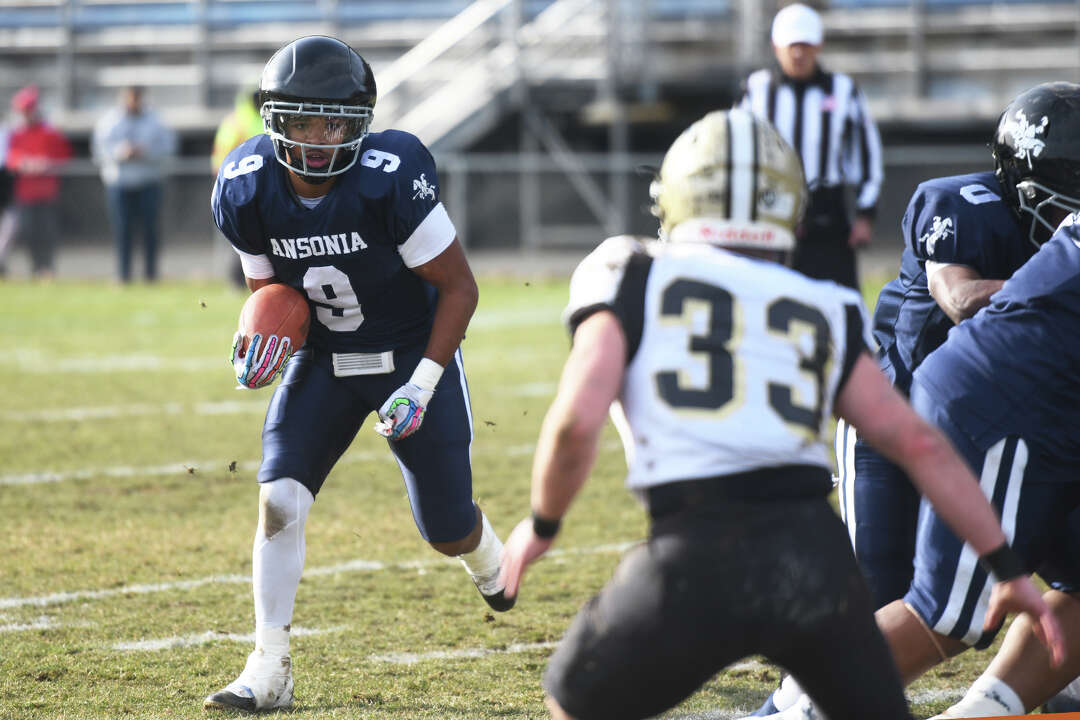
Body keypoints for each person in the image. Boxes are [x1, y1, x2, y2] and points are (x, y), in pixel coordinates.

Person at [497, 108, 1060, 720]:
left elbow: (577, 420)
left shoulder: (627, 269)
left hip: (696, 548)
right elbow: (917, 444)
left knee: (574, 703)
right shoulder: (823, 302)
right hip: (812, 561)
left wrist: (543, 526)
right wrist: (1004, 563)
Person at [746, 81, 1080, 719]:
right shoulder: (957, 201)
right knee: (889, 594)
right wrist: (1045, 285)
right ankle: (789, 706)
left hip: (998, 419)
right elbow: (956, 300)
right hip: (892, 416)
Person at [203, 35, 513, 713]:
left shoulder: (390, 176)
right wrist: (260, 340)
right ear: (273, 120)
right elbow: (270, 296)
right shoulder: (246, 186)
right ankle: (269, 663)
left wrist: (424, 383)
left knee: (445, 529)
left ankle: (486, 555)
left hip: (408, 352)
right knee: (279, 498)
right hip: (325, 361)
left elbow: (459, 289)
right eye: (304, 120)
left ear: (360, 124)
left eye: (334, 122)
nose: (318, 138)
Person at [737, 2, 883, 290]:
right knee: (770, 296)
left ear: (819, 45)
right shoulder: (756, 89)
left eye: (805, 45)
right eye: (791, 45)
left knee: (837, 304)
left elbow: (867, 154)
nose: (798, 53)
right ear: (776, 47)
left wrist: (866, 214)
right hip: (769, 207)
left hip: (827, 213)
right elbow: (739, 145)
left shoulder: (843, 90)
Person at [91, 85, 177, 283]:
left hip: (148, 181)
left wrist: (145, 153)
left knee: (150, 230)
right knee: (123, 230)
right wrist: (120, 153)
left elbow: (168, 147)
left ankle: (150, 274)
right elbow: (99, 150)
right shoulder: (110, 122)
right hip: (120, 184)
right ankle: (123, 274)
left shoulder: (156, 121)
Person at [1, 84, 72, 279]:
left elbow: (63, 156)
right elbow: (10, 158)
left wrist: (45, 163)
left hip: (47, 191)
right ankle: (31, 268)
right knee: (24, 232)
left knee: (46, 233)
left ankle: (46, 268)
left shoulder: (50, 132)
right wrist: (23, 163)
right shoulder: (16, 133)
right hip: (25, 192)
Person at [211, 86, 264, 287]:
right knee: (240, 236)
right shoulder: (236, 122)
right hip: (240, 187)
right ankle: (237, 279)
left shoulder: (263, 118)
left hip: (262, 187)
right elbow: (222, 152)